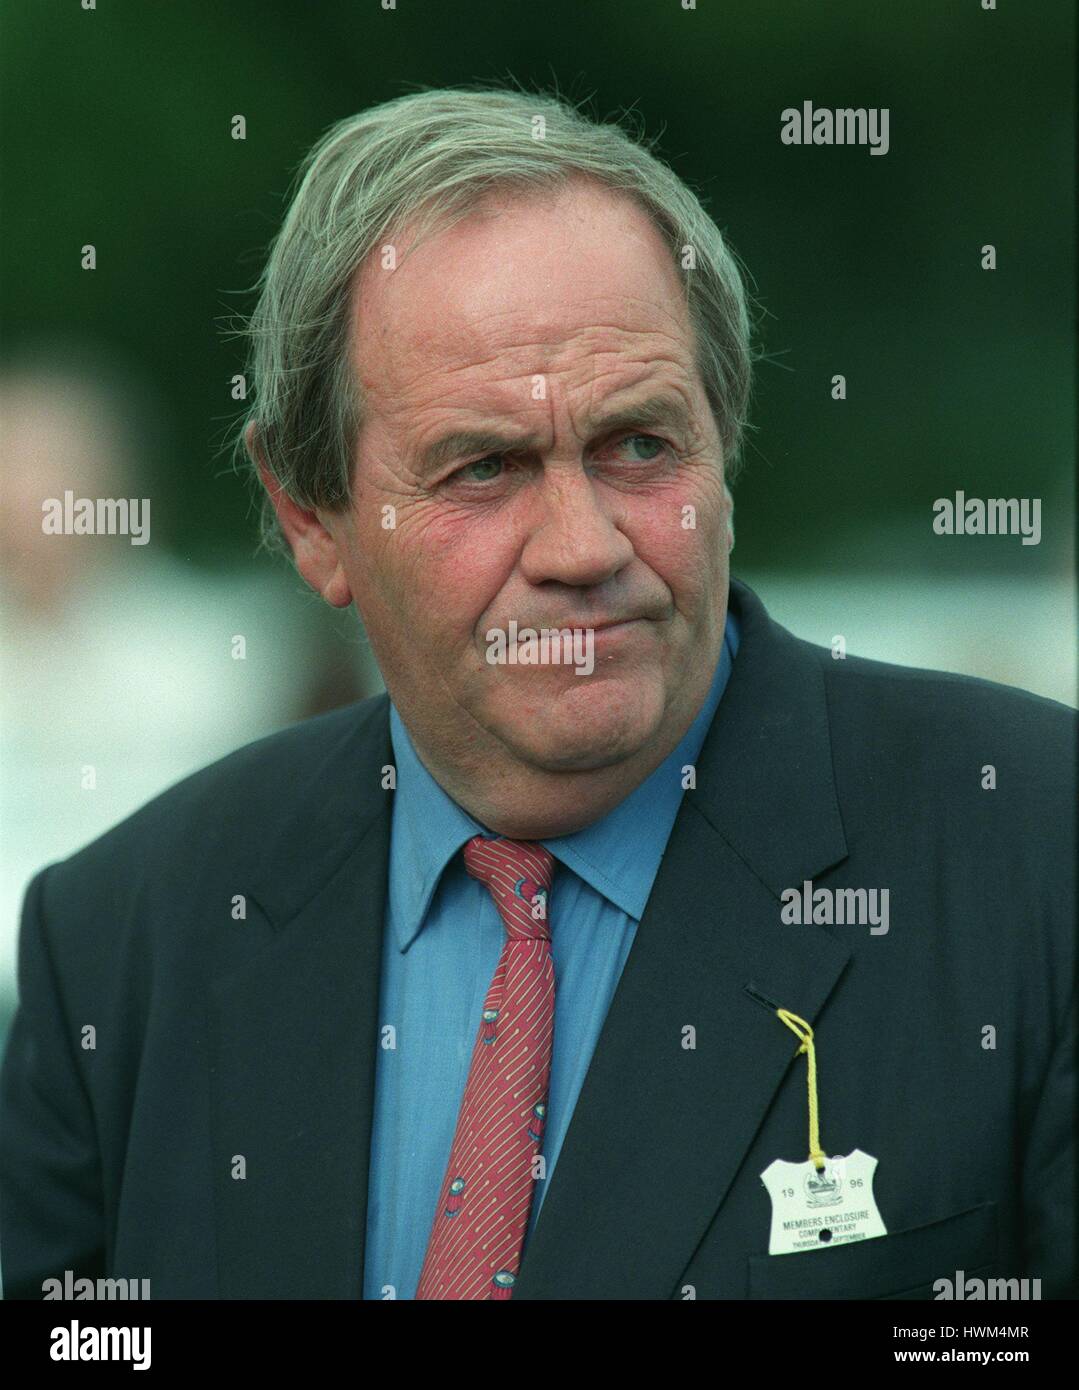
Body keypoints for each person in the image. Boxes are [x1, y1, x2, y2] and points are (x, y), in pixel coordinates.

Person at [1, 86, 1074, 1301]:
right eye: (484, 468)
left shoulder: (1032, 856)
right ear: (311, 517)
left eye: (637, 446)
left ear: (723, 445)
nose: (581, 544)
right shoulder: (121, 945)